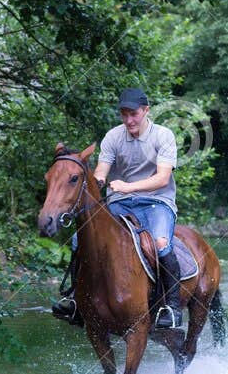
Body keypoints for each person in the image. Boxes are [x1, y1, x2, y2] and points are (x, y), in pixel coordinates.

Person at [51, 88, 187, 330]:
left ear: (146, 111)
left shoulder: (163, 136)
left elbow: (162, 179)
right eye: (124, 114)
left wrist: (127, 186)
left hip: (158, 202)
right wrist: (97, 182)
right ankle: (74, 300)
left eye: (133, 114)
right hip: (119, 203)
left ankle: (172, 307)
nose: (129, 120)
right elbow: (101, 171)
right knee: (77, 240)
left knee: (161, 243)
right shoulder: (113, 137)